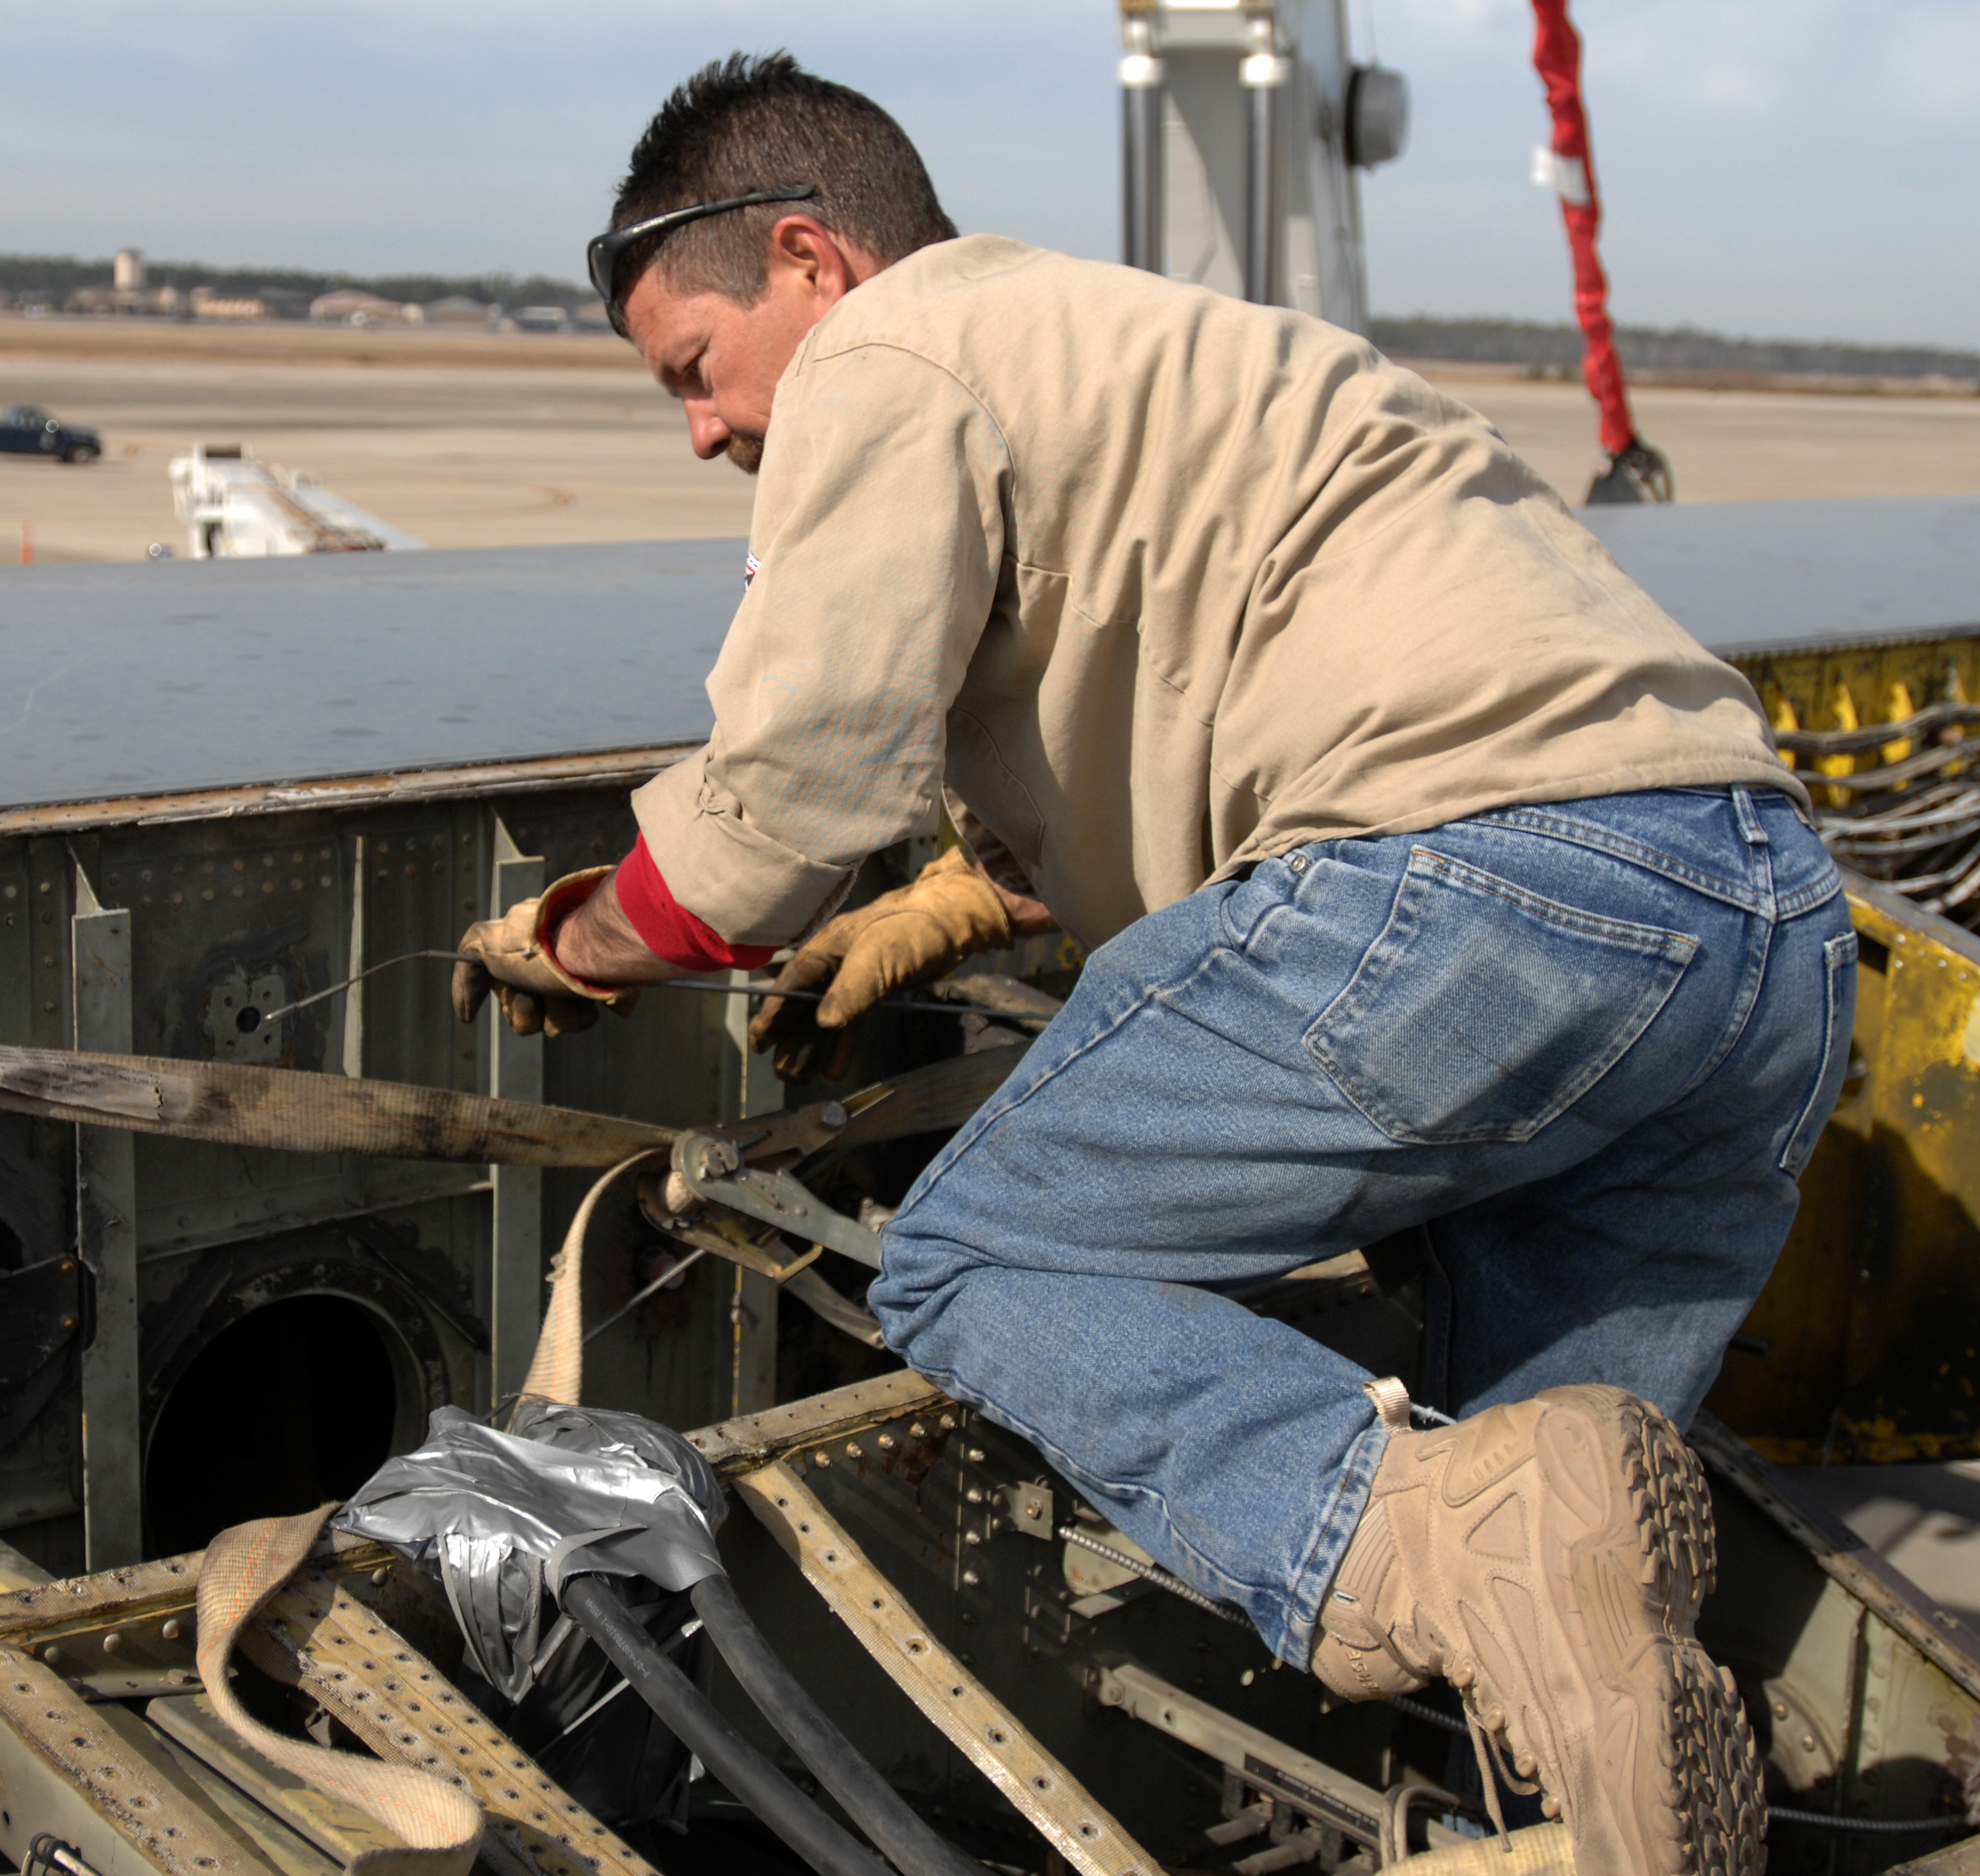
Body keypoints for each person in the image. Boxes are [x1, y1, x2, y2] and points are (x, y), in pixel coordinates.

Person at [451, 50, 1850, 1876]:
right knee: (1555, 1534)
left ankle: (1395, 1546)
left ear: (811, 259)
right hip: (1760, 924)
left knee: (985, 1255)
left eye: (692, 372)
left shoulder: (894, 351)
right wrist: (976, 891)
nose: (704, 432)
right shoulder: (1166, 343)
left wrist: (594, 938)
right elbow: (1210, 668)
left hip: (1485, 883)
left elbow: (779, 808)